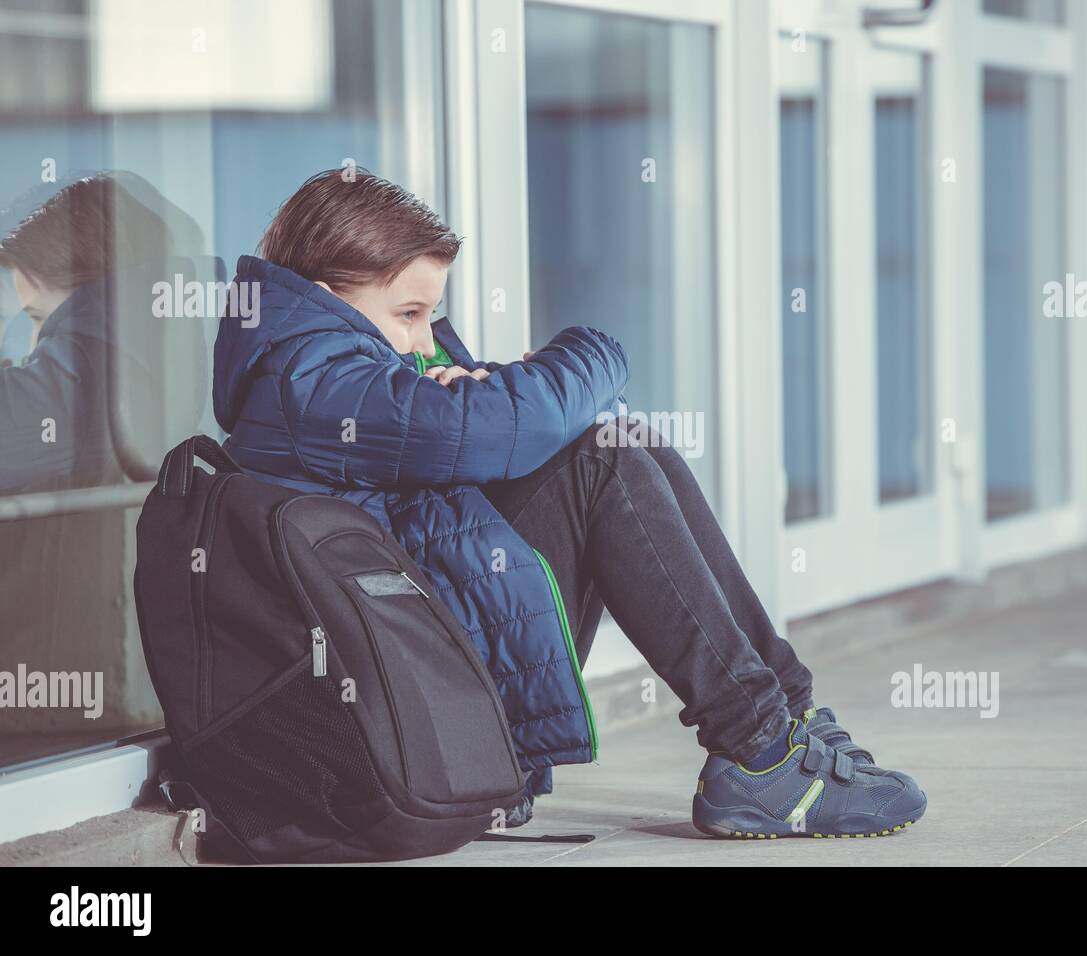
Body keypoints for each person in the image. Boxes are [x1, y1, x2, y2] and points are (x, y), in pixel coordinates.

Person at [211, 169, 927, 839]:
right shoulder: (316, 380)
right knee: (602, 458)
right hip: (410, 704)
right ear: (330, 295)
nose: (425, 338)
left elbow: (524, 416)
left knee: (621, 440)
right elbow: (514, 420)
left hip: (428, 658)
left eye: (431, 314)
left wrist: (537, 392)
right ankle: (762, 749)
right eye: (408, 312)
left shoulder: (343, 361)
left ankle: (783, 721)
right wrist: (585, 356)